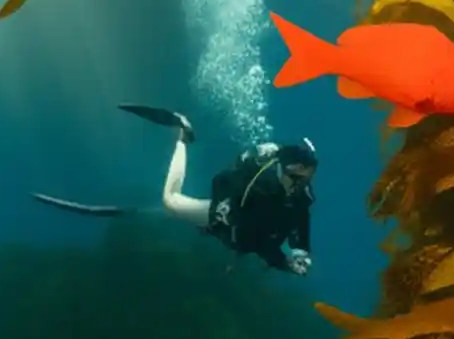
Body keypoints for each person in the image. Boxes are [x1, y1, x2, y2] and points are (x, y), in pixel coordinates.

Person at [31, 104, 317, 276]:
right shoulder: (261, 183)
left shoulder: (301, 197)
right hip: (226, 217)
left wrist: (301, 252)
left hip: (235, 230)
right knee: (170, 203)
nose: (300, 184)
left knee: (188, 220)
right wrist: (222, 209)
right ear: (283, 168)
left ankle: (147, 214)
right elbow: (223, 181)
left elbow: (297, 224)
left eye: (306, 178)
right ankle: (183, 135)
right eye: (295, 176)